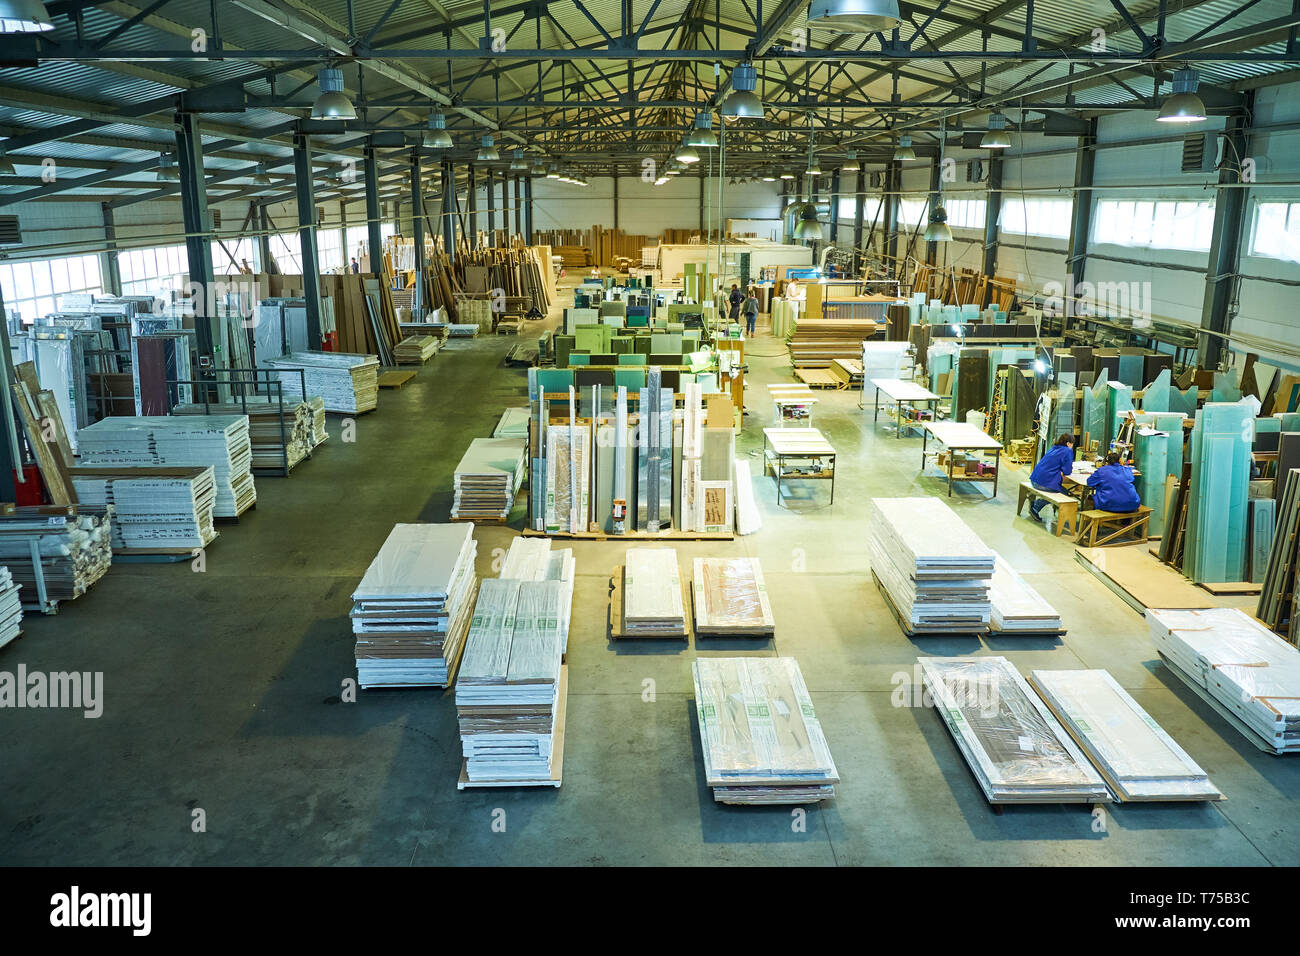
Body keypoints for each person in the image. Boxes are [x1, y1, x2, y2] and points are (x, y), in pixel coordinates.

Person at [1028, 433, 1076, 522]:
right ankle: (1035, 507)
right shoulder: (1067, 451)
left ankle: (1036, 505)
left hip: (1034, 479)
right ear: (1068, 443)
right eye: (1072, 444)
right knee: (1063, 493)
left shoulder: (1054, 448)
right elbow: (1067, 471)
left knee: (1062, 490)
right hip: (1043, 483)